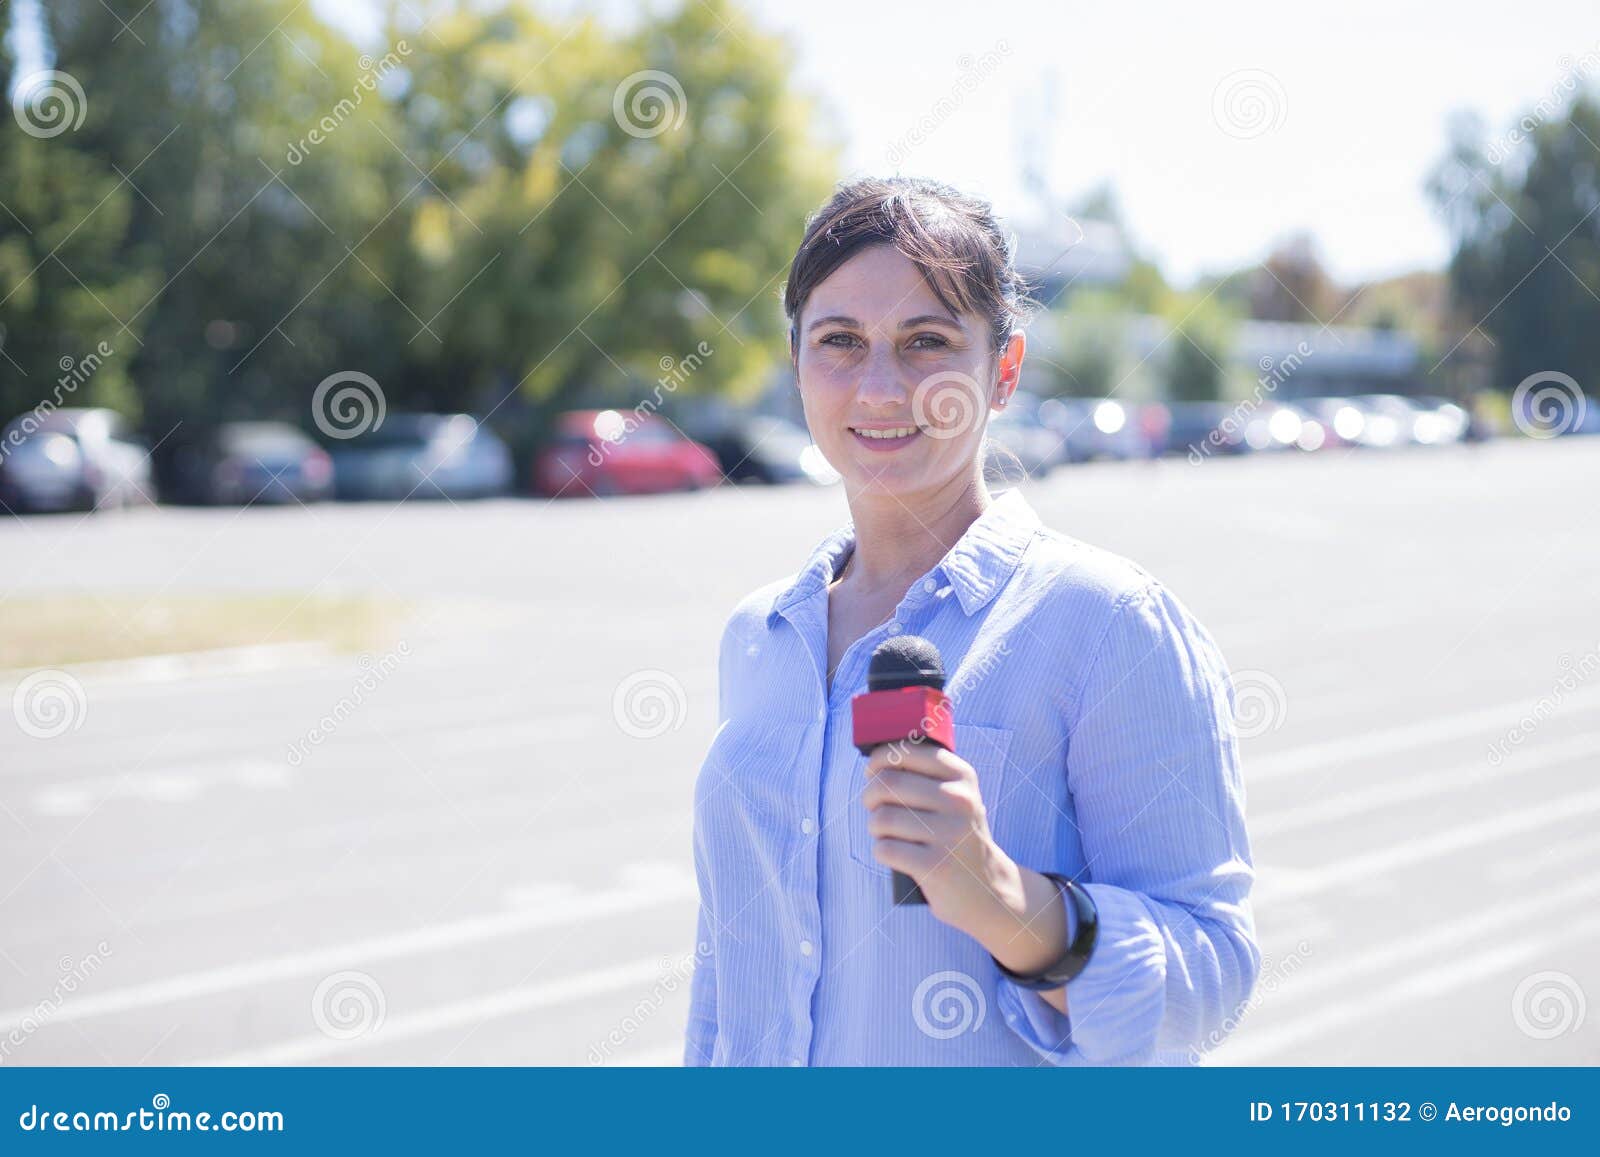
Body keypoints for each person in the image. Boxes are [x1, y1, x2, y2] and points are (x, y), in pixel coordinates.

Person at [684, 176, 1260, 1066]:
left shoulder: (1106, 624)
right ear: (796, 360)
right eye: (840, 341)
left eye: (927, 341)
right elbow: (727, 989)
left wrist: (1004, 900)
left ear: (1004, 371)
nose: (881, 386)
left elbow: (1210, 982)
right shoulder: (759, 636)